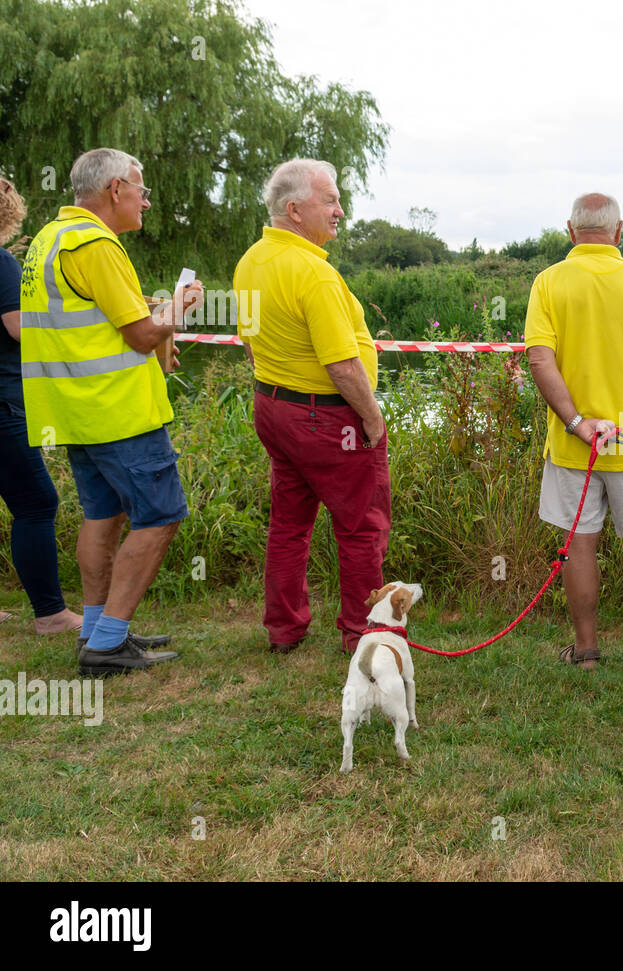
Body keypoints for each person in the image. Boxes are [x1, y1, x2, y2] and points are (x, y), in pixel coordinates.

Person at [20, 148, 200, 675]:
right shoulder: (97, 243)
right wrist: (178, 308)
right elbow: (143, 335)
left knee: (103, 516)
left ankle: (99, 631)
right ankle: (107, 642)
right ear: (116, 189)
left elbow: (88, 317)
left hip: (73, 410)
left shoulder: (49, 240)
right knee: (161, 516)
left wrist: (150, 312)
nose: (146, 200)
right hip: (119, 412)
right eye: (141, 189)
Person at [524, 192, 623, 669]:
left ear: (570, 231)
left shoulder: (549, 283)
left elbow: (539, 359)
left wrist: (576, 423)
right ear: (619, 232)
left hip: (576, 445)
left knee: (579, 543)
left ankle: (587, 650)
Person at [233, 158, 389, 655]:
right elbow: (343, 365)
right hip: (327, 418)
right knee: (362, 526)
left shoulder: (251, 260)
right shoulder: (313, 274)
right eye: (331, 200)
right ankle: (362, 633)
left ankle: (285, 629)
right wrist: (371, 417)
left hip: (274, 408)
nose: (341, 210)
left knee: (289, 524)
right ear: (295, 210)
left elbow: (252, 345)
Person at [0, 176, 82, 635]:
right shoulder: (3, 265)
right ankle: (51, 614)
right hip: (4, 405)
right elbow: (17, 329)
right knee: (37, 503)